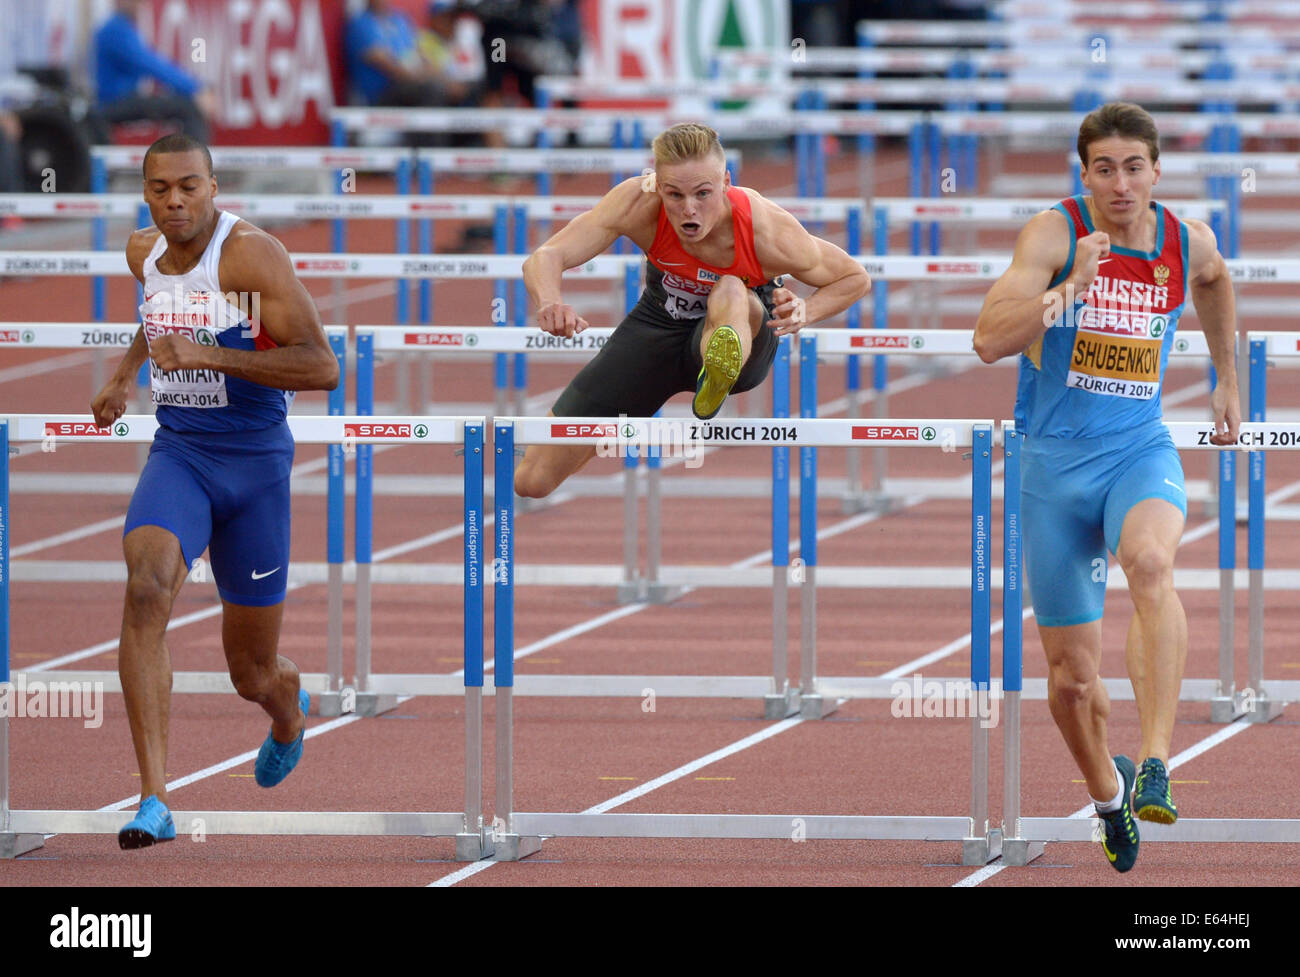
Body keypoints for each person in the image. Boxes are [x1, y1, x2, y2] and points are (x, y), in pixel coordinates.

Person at [973, 102, 1240, 872]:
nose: (1119, 183)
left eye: (1133, 167)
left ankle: (1156, 760)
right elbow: (989, 339)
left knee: (1153, 565)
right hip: (1051, 467)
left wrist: (1226, 377)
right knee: (1069, 682)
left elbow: (1215, 282)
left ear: (1156, 172)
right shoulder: (1055, 234)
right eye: (1103, 168)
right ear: (1082, 172)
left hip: (1136, 450)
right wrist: (1067, 289)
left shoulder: (1185, 240)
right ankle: (1107, 794)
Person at [91, 133, 339, 849]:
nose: (175, 200)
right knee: (146, 586)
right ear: (145, 193)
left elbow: (323, 367)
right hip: (183, 453)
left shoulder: (250, 255)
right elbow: (158, 313)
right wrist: (125, 372)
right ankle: (153, 800)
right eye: (161, 188)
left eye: (189, 186)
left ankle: (288, 712)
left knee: (252, 671)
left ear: (214, 186)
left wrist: (210, 353)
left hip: (256, 465)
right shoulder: (142, 252)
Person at [515, 122, 872, 499]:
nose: (689, 210)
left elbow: (854, 277)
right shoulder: (637, 203)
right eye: (675, 195)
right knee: (532, 481)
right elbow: (547, 256)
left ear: (726, 182)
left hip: (742, 333)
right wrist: (550, 301)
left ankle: (718, 369)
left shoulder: (767, 229)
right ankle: (659, 394)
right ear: (656, 184)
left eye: (703, 194)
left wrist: (805, 309)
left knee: (732, 289)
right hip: (655, 330)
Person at [94, 0, 216, 142]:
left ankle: (188, 156)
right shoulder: (115, 30)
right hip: (114, 103)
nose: (140, 5)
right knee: (190, 108)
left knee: (182, 104)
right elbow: (151, 65)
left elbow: (151, 64)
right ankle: (193, 161)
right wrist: (196, 88)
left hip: (121, 100)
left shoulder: (120, 28)